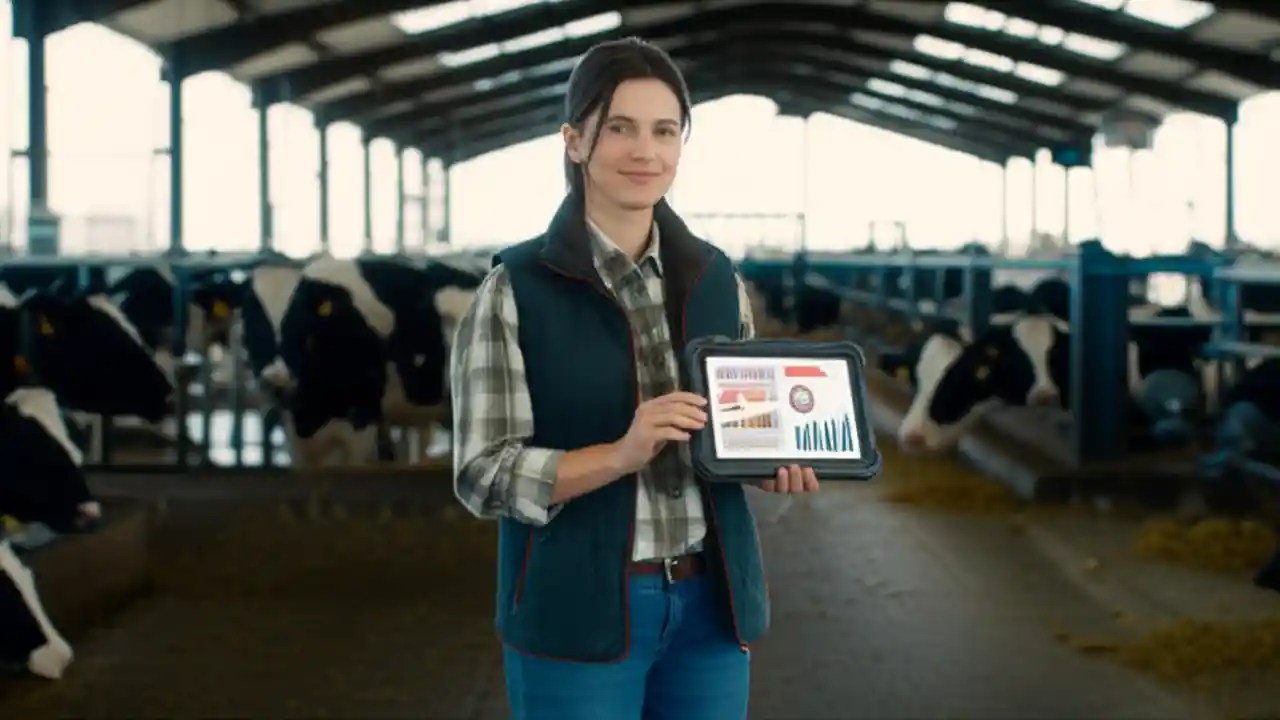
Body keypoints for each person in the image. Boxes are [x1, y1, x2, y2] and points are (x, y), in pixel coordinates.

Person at [449, 36, 821, 720]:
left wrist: (765, 461)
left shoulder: (716, 279)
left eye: (664, 130)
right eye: (618, 127)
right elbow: (480, 474)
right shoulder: (515, 289)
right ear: (574, 139)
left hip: (712, 607)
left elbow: (732, 432)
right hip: (577, 614)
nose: (644, 151)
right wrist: (620, 455)